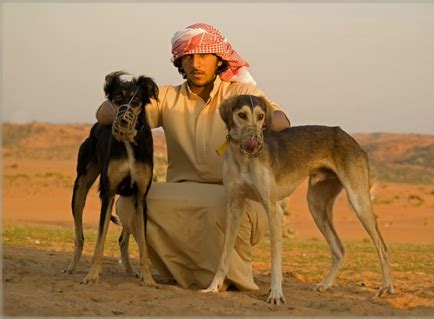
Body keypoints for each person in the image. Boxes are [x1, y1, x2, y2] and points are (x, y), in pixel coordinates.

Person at [96, 23, 290, 290]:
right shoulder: (166, 97)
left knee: (225, 207)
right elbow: (103, 114)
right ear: (179, 62)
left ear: (219, 59)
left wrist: (257, 122)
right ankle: (180, 270)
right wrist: (126, 100)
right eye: (188, 57)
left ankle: (226, 276)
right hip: (181, 192)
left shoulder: (239, 95)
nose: (195, 64)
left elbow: (282, 122)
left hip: (238, 193)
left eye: (203, 56)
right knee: (127, 205)